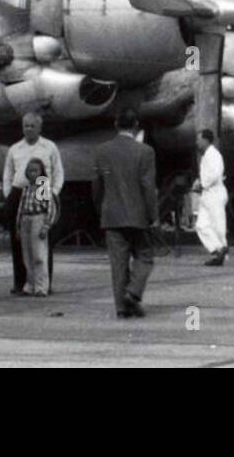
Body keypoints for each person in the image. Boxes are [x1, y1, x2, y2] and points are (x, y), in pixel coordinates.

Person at [92, 112, 158, 318]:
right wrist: (153, 214)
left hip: (111, 214)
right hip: (138, 215)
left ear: (115, 123)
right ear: (136, 124)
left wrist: (100, 209)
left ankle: (122, 308)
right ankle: (133, 292)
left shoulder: (101, 151)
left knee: (118, 263)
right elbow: (148, 186)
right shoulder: (146, 151)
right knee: (145, 256)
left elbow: (96, 185)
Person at [2, 112, 65, 296]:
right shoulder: (14, 148)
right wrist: (9, 194)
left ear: (39, 127)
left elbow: (58, 171)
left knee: (42, 242)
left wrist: (53, 193)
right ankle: (21, 283)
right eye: (25, 126)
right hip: (20, 190)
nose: (28, 129)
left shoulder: (49, 146)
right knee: (19, 241)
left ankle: (44, 284)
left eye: (32, 126)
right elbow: (7, 172)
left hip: (42, 187)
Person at [18, 158, 59, 296]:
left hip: (38, 218)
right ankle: (30, 285)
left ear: (41, 173)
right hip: (26, 219)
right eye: (30, 171)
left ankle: (41, 287)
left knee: (39, 255)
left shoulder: (42, 187)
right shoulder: (27, 188)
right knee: (27, 255)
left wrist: (46, 225)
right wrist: (18, 226)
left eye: (36, 170)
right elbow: (21, 208)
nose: (33, 173)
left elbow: (50, 208)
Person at [193, 129, 228, 266]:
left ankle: (220, 251)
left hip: (215, 193)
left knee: (217, 224)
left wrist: (202, 183)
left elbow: (215, 174)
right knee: (202, 225)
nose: (197, 142)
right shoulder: (206, 155)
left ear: (205, 140)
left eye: (199, 139)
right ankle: (218, 249)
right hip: (208, 194)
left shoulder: (213, 155)